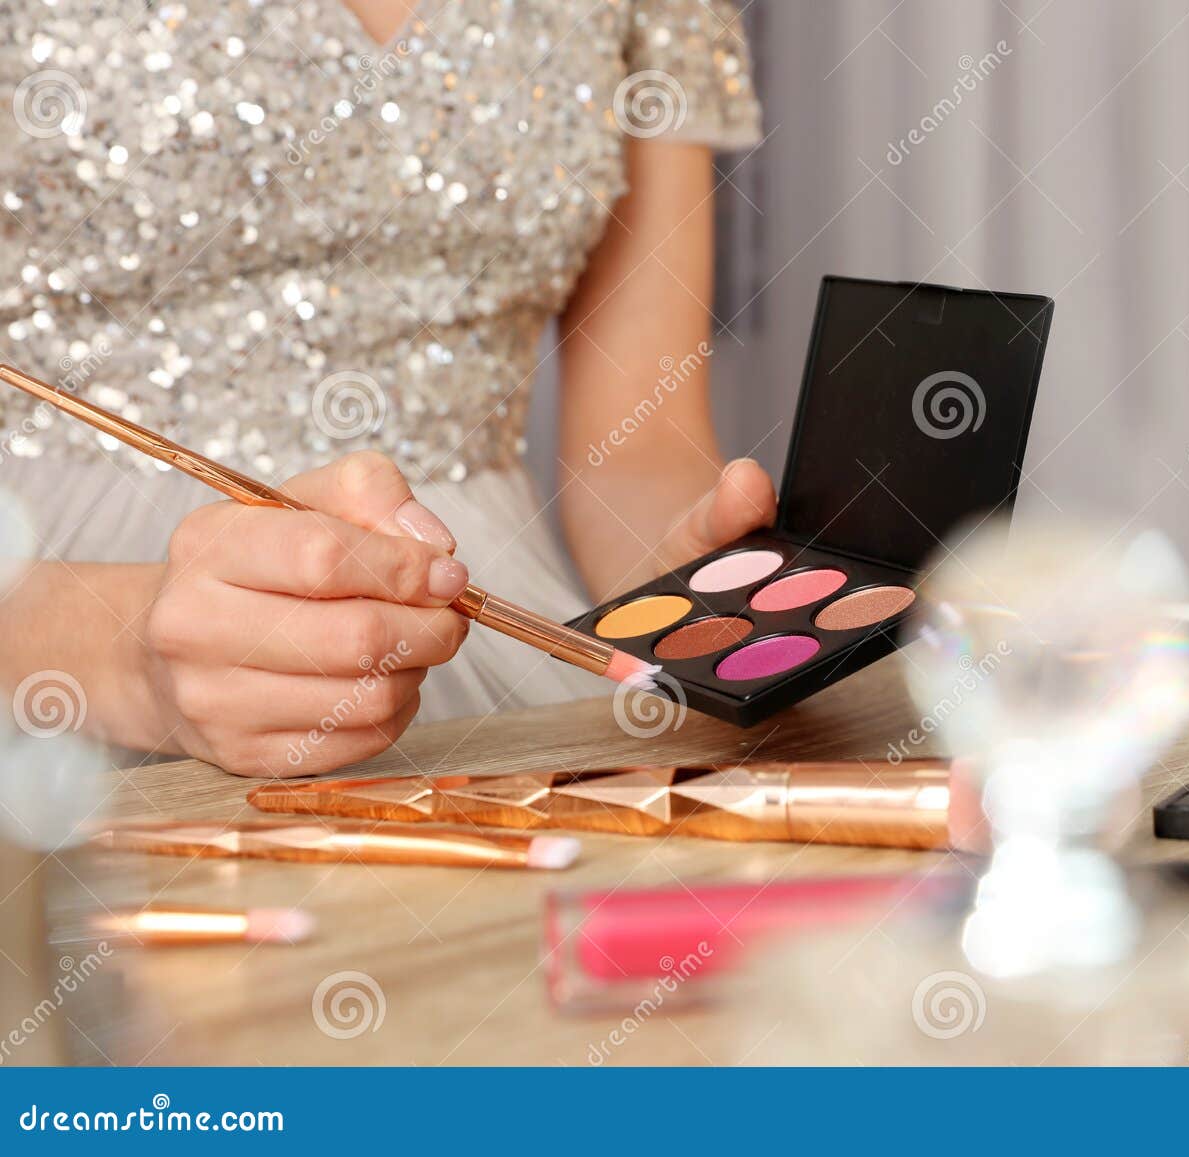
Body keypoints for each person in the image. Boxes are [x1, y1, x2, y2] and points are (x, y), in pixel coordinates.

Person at [0, 0, 774, 774]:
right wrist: (129, 652)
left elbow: (636, 443)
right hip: (48, 653)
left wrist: (691, 577)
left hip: (477, 648)